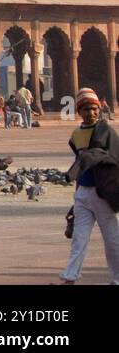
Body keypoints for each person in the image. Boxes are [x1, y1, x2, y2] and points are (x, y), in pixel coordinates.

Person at [57, 88, 119, 284]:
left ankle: (116, 278)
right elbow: (80, 165)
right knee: (79, 238)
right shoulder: (75, 135)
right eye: (85, 109)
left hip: (103, 193)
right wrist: (75, 198)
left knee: (112, 240)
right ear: (79, 111)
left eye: (93, 109)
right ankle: (70, 276)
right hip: (83, 193)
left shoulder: (107, 131)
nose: (90, 113)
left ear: (99, 110)